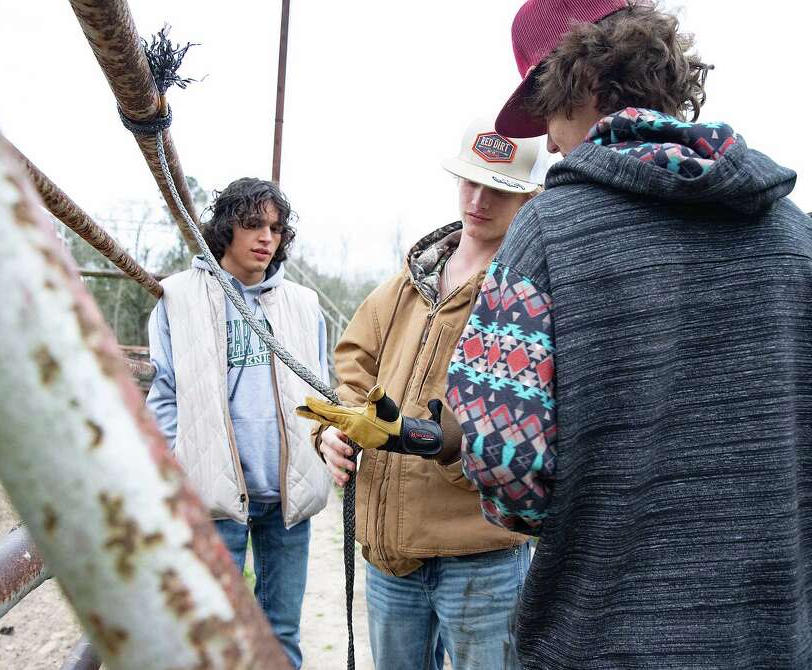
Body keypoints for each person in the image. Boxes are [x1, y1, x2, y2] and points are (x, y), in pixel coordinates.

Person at [446, 1, 812, 668]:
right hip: (774, 639)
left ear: (583, 82)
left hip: (601, 638)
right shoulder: (794, 235)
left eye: (545, 110)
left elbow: (504, 463)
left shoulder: (547, 235)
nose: (549, 143)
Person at [300, 120, 546, 670]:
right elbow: (353, 365)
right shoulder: (409, 280)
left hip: (480, 555)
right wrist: (334, 431)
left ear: (528, 195)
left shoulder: (526, 291)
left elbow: (529, 424)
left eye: (498, 188)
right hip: (392, 556)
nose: (478, 200)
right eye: (469, 182)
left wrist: (455, 451)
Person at [145, 177, 331, 669]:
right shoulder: (177, 298)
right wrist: (174, 474)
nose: (266, 237)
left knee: (282, 632)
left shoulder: (304, 305)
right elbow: (164, 395)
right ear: (226, 229)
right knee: (216, 639)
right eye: (253, 225)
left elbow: (322, 394)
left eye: (275, 227)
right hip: (213, 498)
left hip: (286, 498)